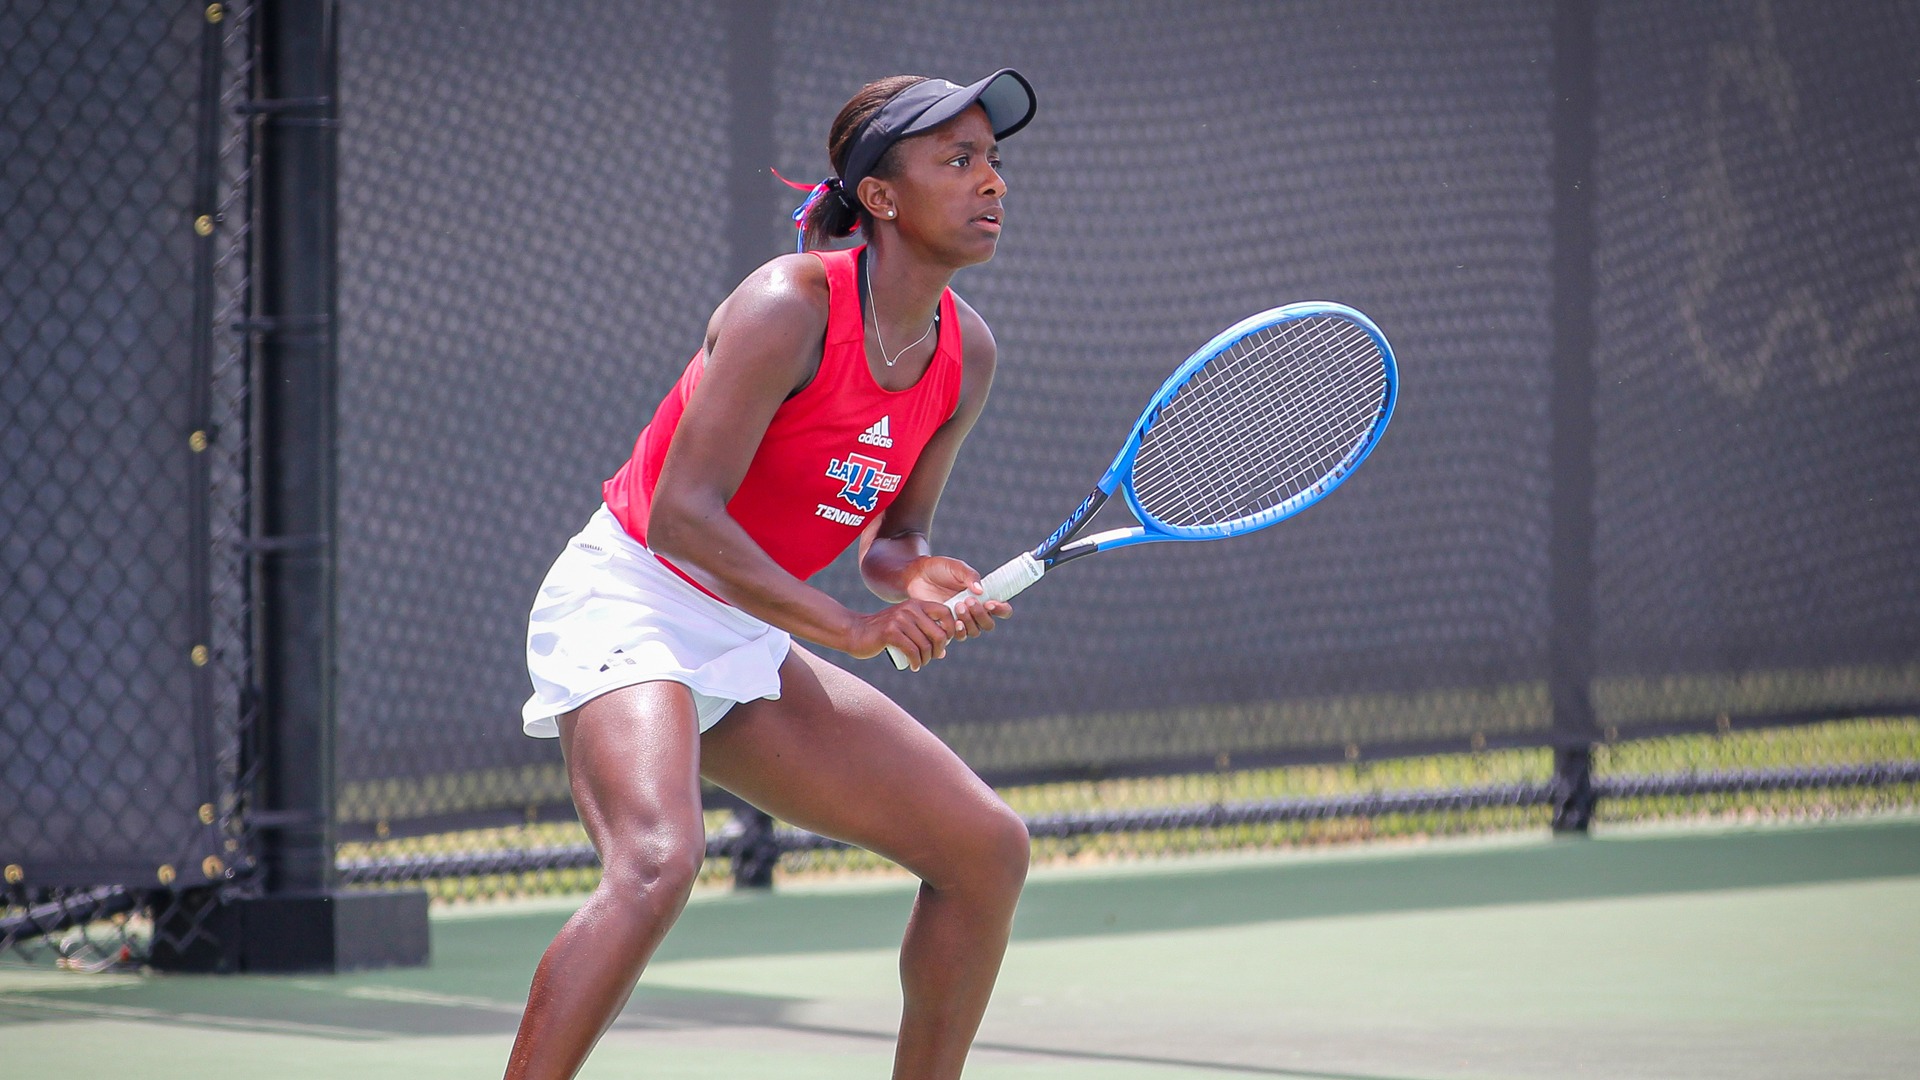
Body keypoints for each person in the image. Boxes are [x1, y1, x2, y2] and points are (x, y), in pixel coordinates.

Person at [504, 69, 1040, 1080]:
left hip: (744, 628)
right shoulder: (788, 304)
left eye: (995, 163)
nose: (992, 184)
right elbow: (682, 517)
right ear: (880, 197)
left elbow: (894, 536)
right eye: (959, 161)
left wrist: (915, 579)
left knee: (985, 851)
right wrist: (846, 629)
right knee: (658, 864)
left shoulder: (965, 351)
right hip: (634, 596)